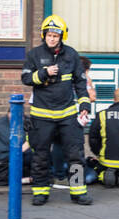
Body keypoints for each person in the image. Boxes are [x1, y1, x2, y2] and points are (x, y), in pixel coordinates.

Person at [21, 14, 92, 206]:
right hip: (42, 115)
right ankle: (41, 192)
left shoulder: (71, 55)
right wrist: (43, 73)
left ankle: (78, 191)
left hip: (67, 114)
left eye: (55, 36)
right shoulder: (34, 55)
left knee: (75, 154)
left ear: (62, 36)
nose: (52, 39)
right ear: (44, 35)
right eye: (49, 35)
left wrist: (84, 104)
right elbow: (26, 78)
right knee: (41, 155)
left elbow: (80, 82)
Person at [0, 106, 32, 186]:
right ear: (8, 114)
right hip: (6, 158)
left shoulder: (28, 122)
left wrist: (21, 149)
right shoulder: (0, 123)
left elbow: (34, 138)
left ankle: (24, 179)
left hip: (24, 156)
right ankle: (24, 180)